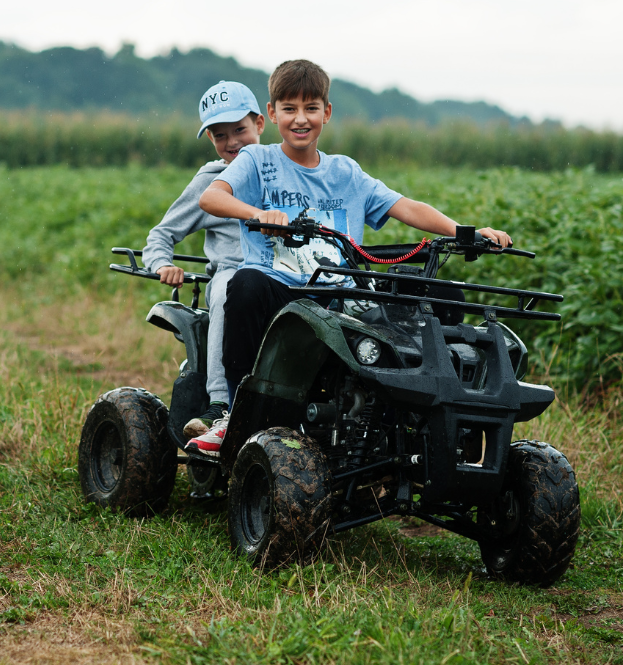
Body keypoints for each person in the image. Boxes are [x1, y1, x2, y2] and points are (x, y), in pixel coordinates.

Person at [189, 59, 512, 457]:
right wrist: (258, 214)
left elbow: (405, 206)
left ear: (326, 112)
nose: (300, 119)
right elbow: (212, 197)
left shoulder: (346, 173)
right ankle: (235, 414)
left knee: (442, 294)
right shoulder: (257, 161)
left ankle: (419, 420)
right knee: (243, 285)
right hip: (280, 290)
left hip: (339, 294)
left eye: (311, 108)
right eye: (289, 109)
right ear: (272, 115)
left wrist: (467, 233)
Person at [142, 80, 264, 441]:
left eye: (239, 129)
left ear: (259, 123)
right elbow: (161, 234)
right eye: (219, 134)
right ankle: (220, 404)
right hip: (234, 271)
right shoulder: (211, 180)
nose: (232, 142)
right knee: (228, 288)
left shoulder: (282, 170)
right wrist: (162, 263)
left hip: (284, 273)